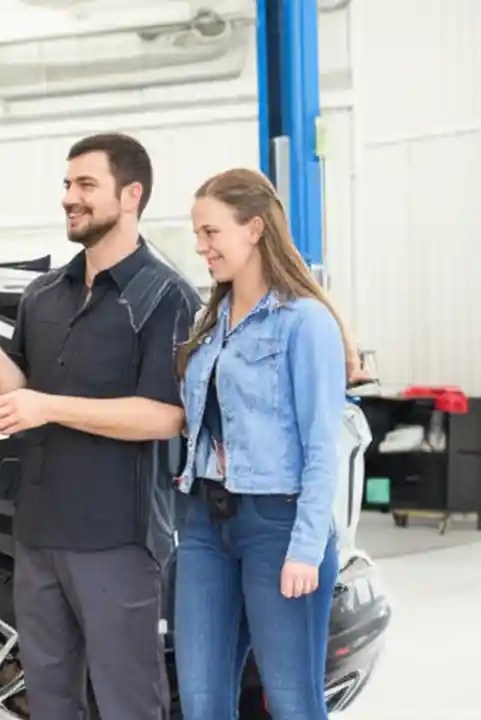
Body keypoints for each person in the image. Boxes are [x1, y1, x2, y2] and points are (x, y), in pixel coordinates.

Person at [0, 132, 199, 720]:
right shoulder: (43, 294)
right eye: (67, 184)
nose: (69, 198)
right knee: (50, 701)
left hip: (118, 540)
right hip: (39, 533)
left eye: (85, 185)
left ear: (131, 196)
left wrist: (49, 408)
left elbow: (166, 415)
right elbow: (23, 396)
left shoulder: (165, 297)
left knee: (129, 700)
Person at [172, 167, 355, 719]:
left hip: (280, 523)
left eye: (211, 233)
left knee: (294, 702)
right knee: (202, 703)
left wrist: (304, 547)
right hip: (205, 520)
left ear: (254, 229)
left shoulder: (305, 323)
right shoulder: (212, 324)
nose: (201, 247)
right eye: (198, 234)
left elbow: (322, 444)